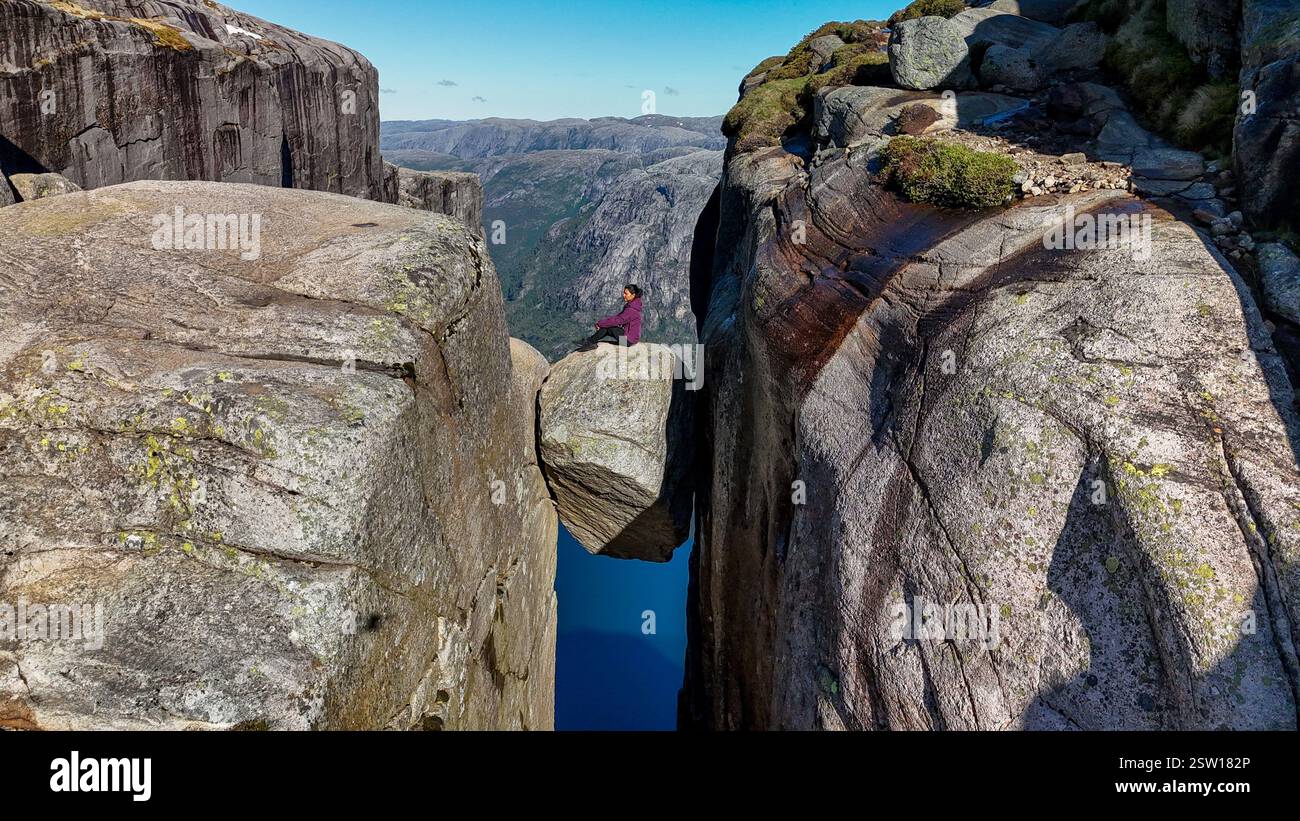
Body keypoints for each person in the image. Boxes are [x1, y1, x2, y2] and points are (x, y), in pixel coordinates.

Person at [577, 284, 643, 351]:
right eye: (624, 293)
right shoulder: (631, 307)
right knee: (608, 327)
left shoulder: (631, 310)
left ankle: (590, 342)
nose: (623, 295)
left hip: (627, 342)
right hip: (629, 340)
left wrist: (600, 324)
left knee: (609, 327)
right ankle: (590, 341)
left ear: (633, 295)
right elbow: (617, 317)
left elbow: (617, 320)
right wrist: (602, 323)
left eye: (626, 293)